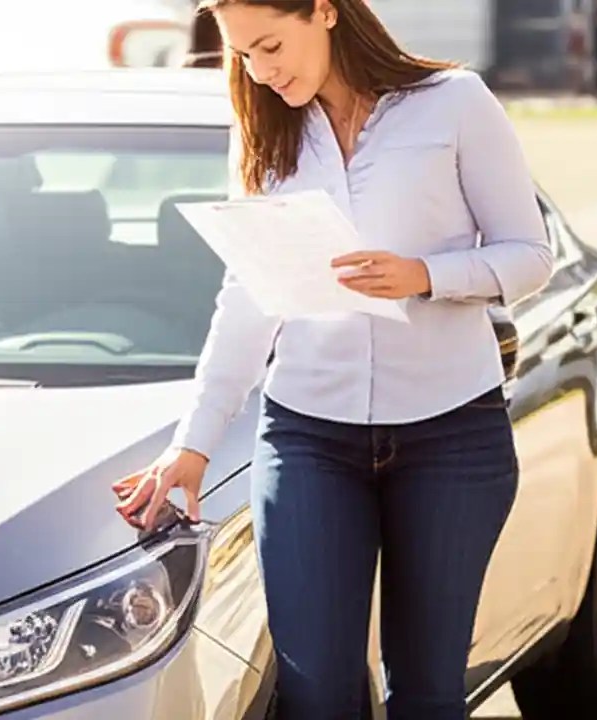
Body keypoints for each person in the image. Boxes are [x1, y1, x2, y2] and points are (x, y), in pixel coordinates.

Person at [114, 0, 555, 718]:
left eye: (269, 45)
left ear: (323, 11)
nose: (260, 71)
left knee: (427, 692)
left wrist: (427, 275)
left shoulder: (453, 104)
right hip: (309, 434)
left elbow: (532, 257)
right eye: (244, 56)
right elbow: (249, 294)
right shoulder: (261, 126)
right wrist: (192, 443)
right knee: (314, 689)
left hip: (451, 435)